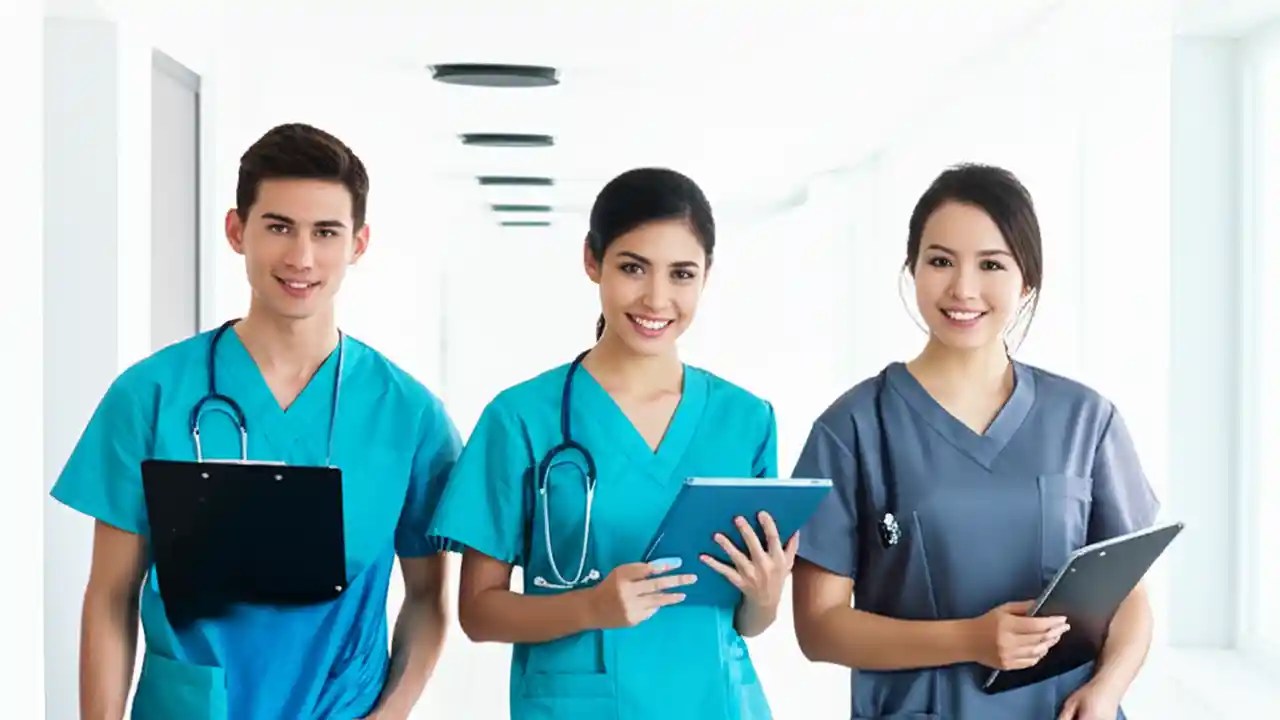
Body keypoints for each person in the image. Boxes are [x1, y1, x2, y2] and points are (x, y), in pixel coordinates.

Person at [51, 123, 459, 720]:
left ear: (359, 244)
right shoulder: (151, 396)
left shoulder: (410, 416)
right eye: (278, 227)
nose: (301, 257)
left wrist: (388, 715)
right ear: (237, 231)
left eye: (326, 232)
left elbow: (428, 599)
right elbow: (110, 596)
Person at [790, 163, 1161, 720]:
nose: (963, 288)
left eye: (991, 264)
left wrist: (1107, 689)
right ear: (911, 269)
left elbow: (1128, 596)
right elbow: (819, 628)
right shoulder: (854, 427)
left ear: (1026, 279)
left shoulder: (1086, 419)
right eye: (940, 261)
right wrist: (970, 639)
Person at [430, 167, 794, 720]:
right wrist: (590, 607)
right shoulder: (521, 419)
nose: (657, 298)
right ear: (591, 261)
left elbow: (746, 621)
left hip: (717, 703)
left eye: (681, 274)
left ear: (706, 276)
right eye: (632, 268)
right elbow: (478, 614)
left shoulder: (745, 420)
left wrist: (766, 596)